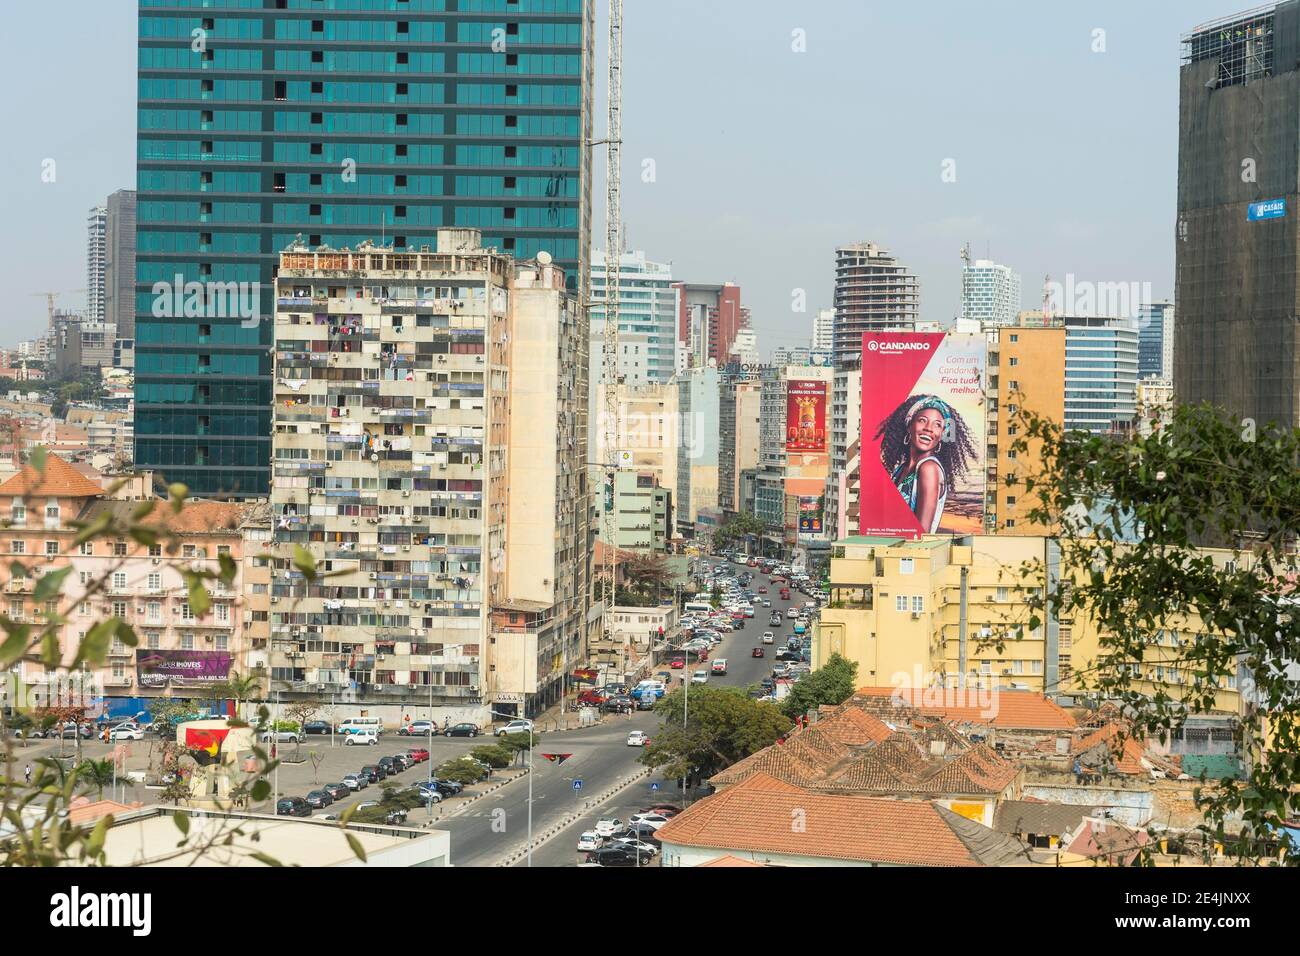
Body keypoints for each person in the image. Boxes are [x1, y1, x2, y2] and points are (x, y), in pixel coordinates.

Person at [874, 395, 977, 533]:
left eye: (937, 425)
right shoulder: (900, 469)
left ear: (942, 435)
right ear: (909, 425)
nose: (929, 428)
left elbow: (922, 532)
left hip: (912, 552)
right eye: (922, 420)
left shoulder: (929, 468)